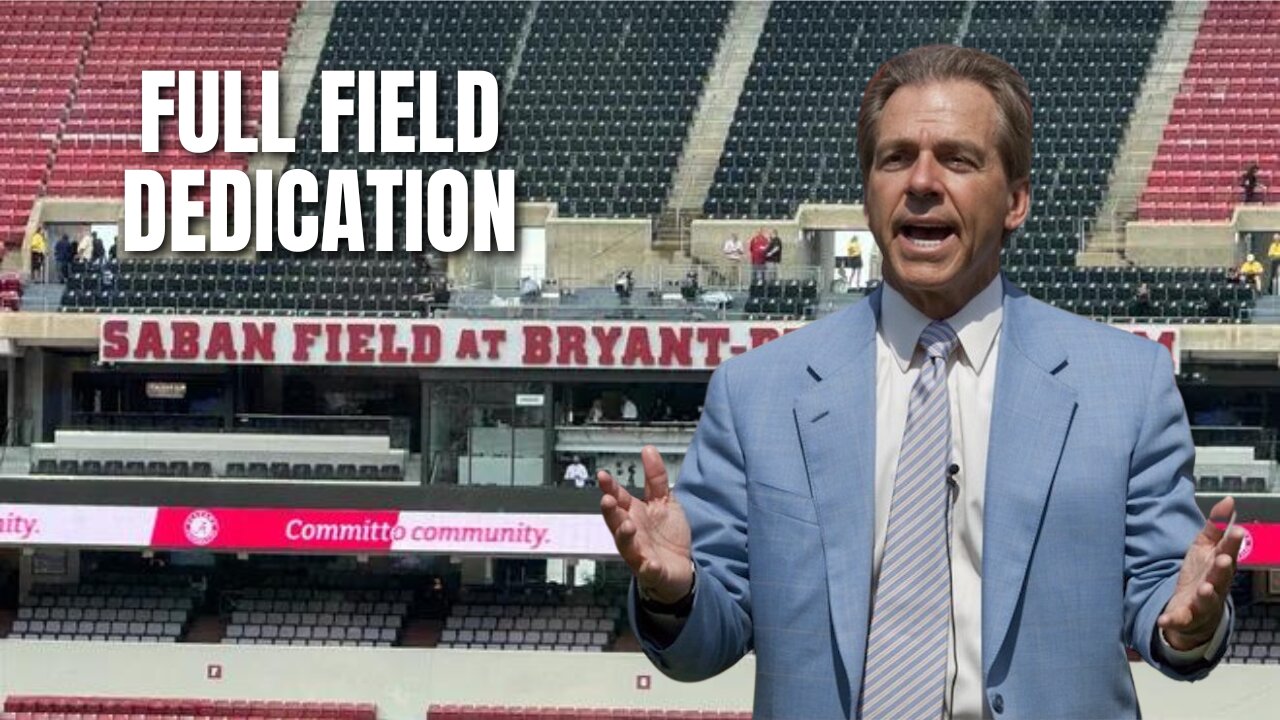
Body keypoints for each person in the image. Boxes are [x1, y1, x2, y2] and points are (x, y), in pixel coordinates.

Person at [598, 45, 1239, 720]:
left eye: (958, 159)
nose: (923, 181)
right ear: (868, 192)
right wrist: (675, 594)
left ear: (1017, 200)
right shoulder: (757, 394)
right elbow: (707, 641)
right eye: (896, 158)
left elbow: (1167, 600)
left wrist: (1188, 621)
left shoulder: (1126, 386)